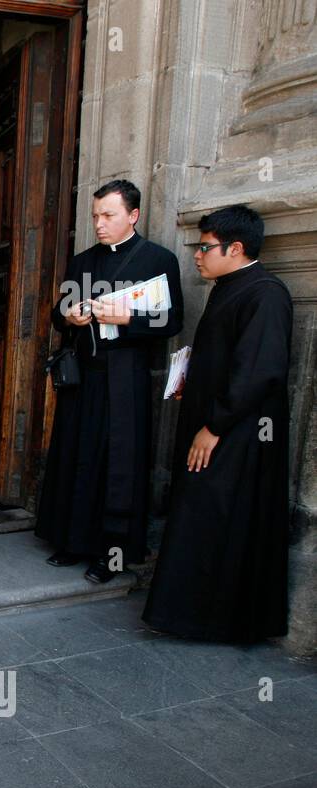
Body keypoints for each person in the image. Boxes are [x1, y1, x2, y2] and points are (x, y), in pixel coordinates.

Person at [144, 206, 292, 642]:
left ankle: (219, 621)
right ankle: (190, 615)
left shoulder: (266, 293)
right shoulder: (228, 287)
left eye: (206, 247)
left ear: (237, 248)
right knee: (202, 517)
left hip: (238, 434)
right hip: (218, 424)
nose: (197, 255)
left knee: (221, 519)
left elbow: (259, 371)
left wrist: (215, 426)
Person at [36, 179, 184, 583]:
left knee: (117, 466)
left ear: (132, 216)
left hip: (125, 381)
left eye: (108, 216)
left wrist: (127, 319)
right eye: (95, 216)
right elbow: (58, 312)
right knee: (75, 457)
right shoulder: (82, 261)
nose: (99, 224)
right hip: (83, 379)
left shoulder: (159, 259)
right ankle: (71, 541)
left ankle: (111, 554)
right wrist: (69, 317)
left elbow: (172, 322)